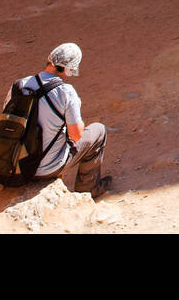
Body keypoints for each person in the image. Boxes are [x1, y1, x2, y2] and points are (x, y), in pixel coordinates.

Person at [7, 42, 111, 199]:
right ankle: (88, 188)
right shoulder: (66, 92)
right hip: (46, 168)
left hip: (14, 162)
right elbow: (76, 135)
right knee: (99, 131)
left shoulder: (18, 85)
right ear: (70, 69)